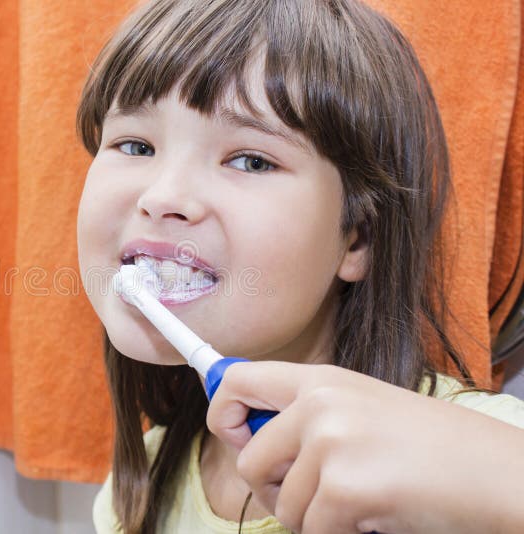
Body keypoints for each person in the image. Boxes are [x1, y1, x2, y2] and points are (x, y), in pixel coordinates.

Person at [74, 0, 524, 532]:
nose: (164, 195)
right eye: (135, 144)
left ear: (357, 238)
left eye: (251, 160)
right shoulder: (141, 483)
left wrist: (490, 480)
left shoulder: (483, 449)